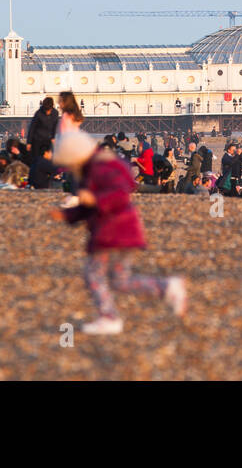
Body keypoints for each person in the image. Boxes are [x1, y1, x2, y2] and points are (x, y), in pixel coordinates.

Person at [49, 117, 187, 335]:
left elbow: (118, 195)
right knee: (120, 280)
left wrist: (93, 200)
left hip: (112, 231)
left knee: (94, 275)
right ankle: (167, 287)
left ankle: (109, 317)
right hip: (124, 230)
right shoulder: (95, 169)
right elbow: (89, 207)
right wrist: (67, 216)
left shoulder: (99, 169)